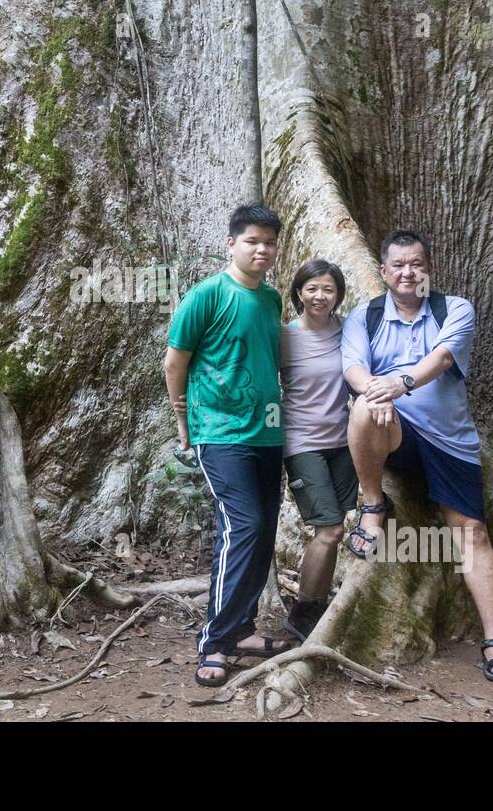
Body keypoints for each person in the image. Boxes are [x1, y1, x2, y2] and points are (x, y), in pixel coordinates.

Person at [340, 229, 493, 684]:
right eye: (398, 264)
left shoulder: (454, 309)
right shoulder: (364, 316)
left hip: (451, 443)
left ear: (429, 269)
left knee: (472, 536)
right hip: (395, 435)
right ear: (382, 271)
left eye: (416, 264)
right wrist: (374, 393)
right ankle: (372, 502)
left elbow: (441, 360)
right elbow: (353, 368)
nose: (407, 272)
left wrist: (396, 385)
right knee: (364, 407)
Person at [164, 204, 294, 688]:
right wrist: (184, 425)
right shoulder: (206, 295)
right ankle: (214, 641)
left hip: (267, 433)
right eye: (252, 241)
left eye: (270, 243)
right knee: (245, 524)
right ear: (231, 244)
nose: (262, 250)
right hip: (219, 434)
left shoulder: (271, 300)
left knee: (260, 532)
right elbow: (175, 364)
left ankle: (241, 629)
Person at [278, 259, 358, 642]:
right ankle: (303, 612)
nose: (320, 296)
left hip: (344, 443)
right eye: (312, 288)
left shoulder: (349, 331)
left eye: (328, 289)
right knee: (328, 528)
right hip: (302, 444)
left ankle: (317, 605)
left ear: (338, 295)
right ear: (298, 293)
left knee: (336, 529)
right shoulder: (285, 337)